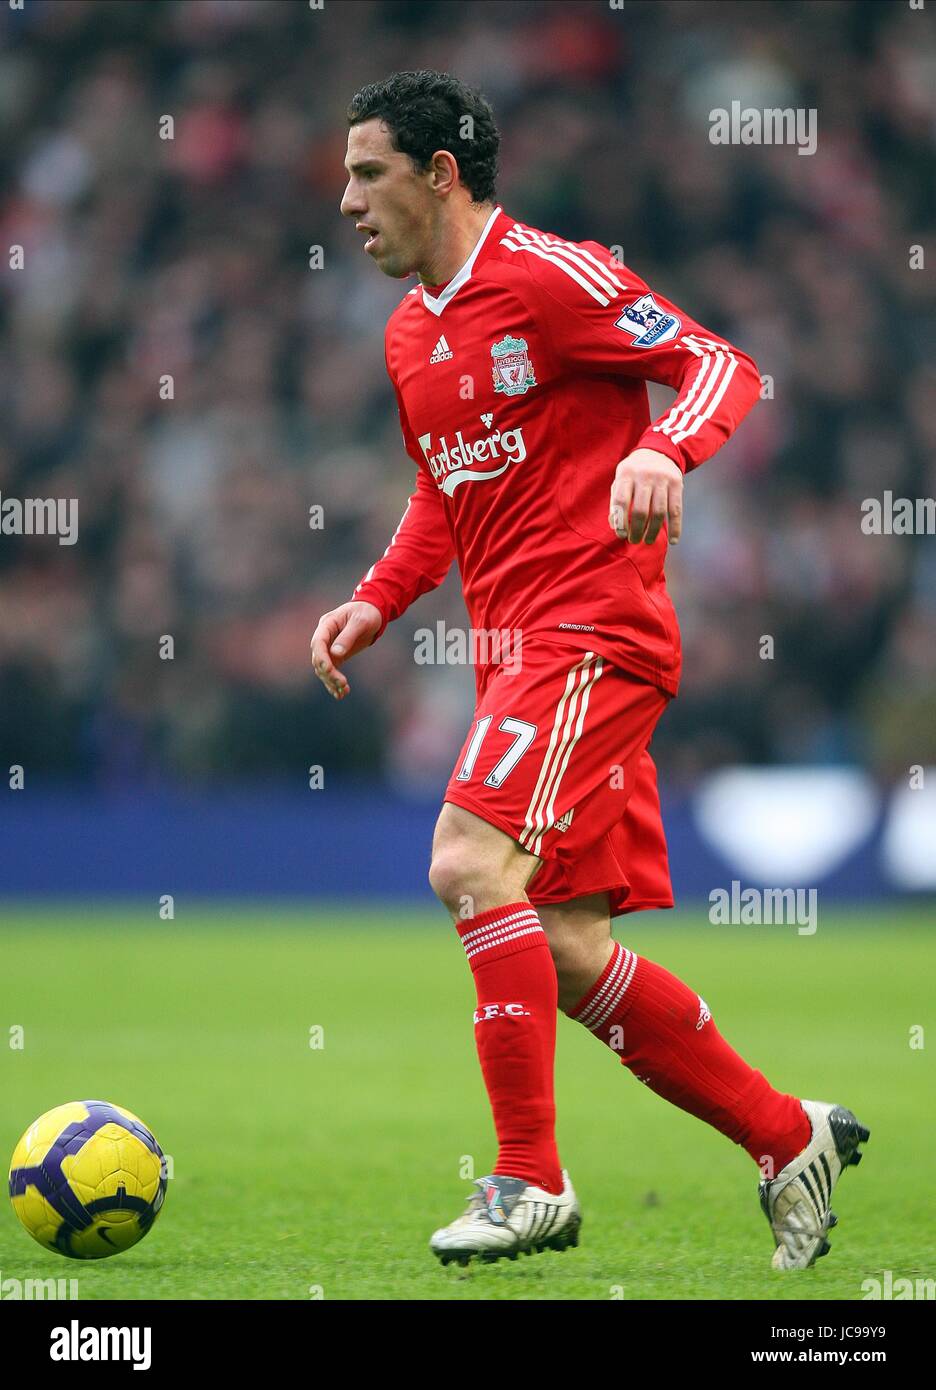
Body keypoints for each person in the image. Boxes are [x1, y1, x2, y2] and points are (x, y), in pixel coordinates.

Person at [311, 70, 868, 1270]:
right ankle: (789, 1137)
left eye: (367, 172)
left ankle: (529, 1182)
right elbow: (438, 494)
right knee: (561, 948)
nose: (346, 200)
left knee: (466, 860)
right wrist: (374, 597)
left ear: (439, 174)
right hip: (517, 657)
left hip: (592, 635)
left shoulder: (553, 277)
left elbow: (722, 364)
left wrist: (665, 445)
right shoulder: (413, 332)